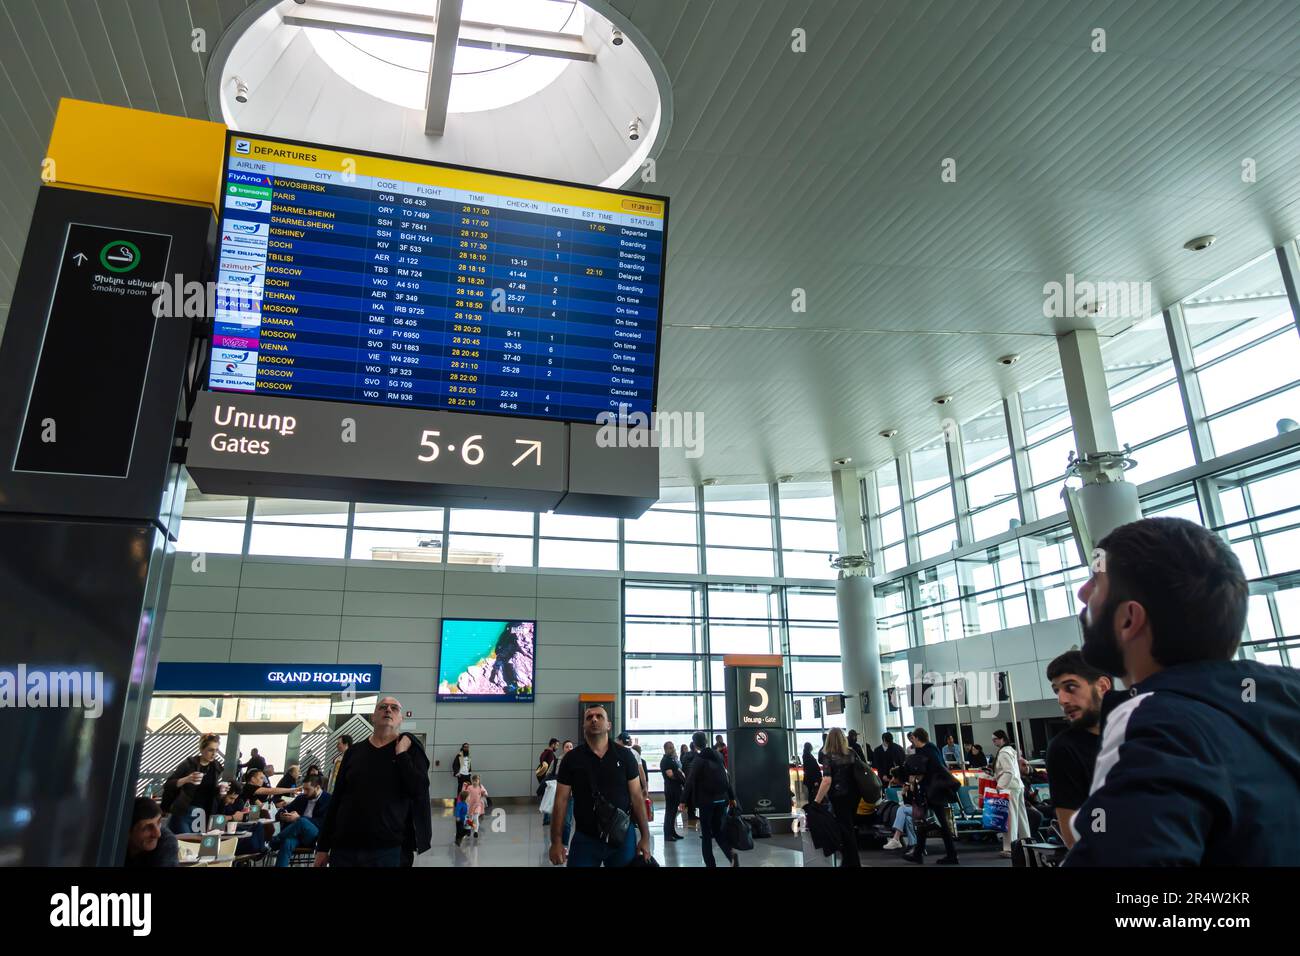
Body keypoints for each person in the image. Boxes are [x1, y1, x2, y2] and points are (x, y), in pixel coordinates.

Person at [1064, 518, 1300, 865]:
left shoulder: (1155, 717)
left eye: (1096, 582)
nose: (1083, 593)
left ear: (1129, 620)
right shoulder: (1286, 697)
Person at [314, 696, 432, 867]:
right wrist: (323, 846)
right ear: (373, 716)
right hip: (345, 847)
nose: (388, 710)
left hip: (389, 849)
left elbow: (418, 789)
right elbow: (337, 799)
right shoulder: (353, 752)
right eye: (382, 706)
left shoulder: (411, 752)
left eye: (394, 708)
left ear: (401, 719)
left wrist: (401, 755)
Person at [549, 702, 651, 867]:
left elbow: (636, 797)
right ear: (584, 725)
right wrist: (556, 841)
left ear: (608, 725)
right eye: (589, 717)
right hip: (585, 837)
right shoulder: (572, 759)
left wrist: (645, 837)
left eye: (599, 716)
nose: (594, 720)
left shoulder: (625, 756)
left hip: (622, 837)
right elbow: (561, 801)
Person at [1044, 649, 1113, 847]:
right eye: (1057, 690)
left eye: (1070, 687)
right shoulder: (1064, 749)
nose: (1062, 700)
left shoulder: (1137, 733)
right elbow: (1074, 837)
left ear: (1102, 686)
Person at [901, 728, 958, 865]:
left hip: (933, 791)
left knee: (936, 823)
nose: (911, 740)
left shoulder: (928, 751)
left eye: (913, 738)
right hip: (933, 791)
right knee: (924, 821)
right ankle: (919, 853)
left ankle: (950, 855)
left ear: (917, 738)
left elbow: (932, 769)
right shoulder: (931, 750)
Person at [683, 730, 738, 867]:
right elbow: (727, 777)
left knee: (706, 834)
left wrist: (683, 800)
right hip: (722, 799)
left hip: (706, 801)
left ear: (695, 744)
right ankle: (730, 854)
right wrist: (732, 797)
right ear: (706, 741)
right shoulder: (718, 755)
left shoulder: (699, 759)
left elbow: (690, 781)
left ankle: (710, 864)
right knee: (718, 830)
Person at [812, 727, 863, 867]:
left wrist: (816, 801)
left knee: (845, 830)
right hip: (854, 796)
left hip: (839, 796)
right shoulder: (852, 753)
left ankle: (852, 862)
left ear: (829, 739)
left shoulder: (828, 756)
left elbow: (827, 780)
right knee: (848, 827)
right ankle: (849, 861)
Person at [160, 732, 223, 834]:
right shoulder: (189, 764)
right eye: (211, 750)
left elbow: (208, 791)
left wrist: (219, 789)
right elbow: (168, 785)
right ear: (202, 749)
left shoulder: (216, 767)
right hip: (184, 812)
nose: (214, 754)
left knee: (198, 845)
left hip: (204, 814)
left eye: (216, 750)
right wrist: (187, 779)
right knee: (187, 843)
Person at [270, 775, 331, 867]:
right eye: (303, 789)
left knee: (302, 821)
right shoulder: (301, 798)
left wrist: (298, 818)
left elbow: (324, 823)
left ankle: (273, 843)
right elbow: (284, 810)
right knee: (287, 842)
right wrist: (282, 815)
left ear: (317, 787)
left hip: (314, 836)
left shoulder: (329, 800)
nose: (304, 792)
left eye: (307, 789)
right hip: (296, 834)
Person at [990, 730, 1031, 858]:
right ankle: (1027, 843)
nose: (993, 742)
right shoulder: (1010, 751)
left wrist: (1000, 785)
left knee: (1009, 819)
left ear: (1002, 739)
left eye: (995, 739)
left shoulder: (1003, 753)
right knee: (1021, 817)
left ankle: (1010, 848)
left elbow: (1008, 772)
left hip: (1009, 787)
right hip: (1017, 786)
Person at [124, 798, 178, 867]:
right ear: (127, 831)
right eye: (147, 827)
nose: (158, 834)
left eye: (159, 822)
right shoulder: (112, 843)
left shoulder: (166, 842)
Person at [541, 740, 575, 846]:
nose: (569, 748)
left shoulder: (577, 761)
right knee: (556, 820)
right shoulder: (556, 761)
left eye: (571, 747)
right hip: (558, 793)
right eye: (567, 747)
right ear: (563, 749)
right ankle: (556, 843)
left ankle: (564, 846)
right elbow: (549, 773)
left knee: (567, 822)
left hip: (571, 795)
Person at [881, 769, 916, 851]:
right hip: (913, 810)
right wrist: (903, 794)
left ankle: (896, 838)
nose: (892, 779)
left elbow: (915, 802)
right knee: (908, 818)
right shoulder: (905, 786)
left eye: (893, 777)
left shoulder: (912, 785)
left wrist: (911, 789)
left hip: (921, 810)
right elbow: (908, 803)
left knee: (901, 809)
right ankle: (913, 845)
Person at [660, 741, 685, 841]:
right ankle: (667, 834)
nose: (672, 749)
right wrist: (680, 777)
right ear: (665, 749)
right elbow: (671, 775)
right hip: (671, 789)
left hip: (676, 789)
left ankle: (672, 832)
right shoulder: (666, 761)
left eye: (673, 747)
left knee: (674, 812)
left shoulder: (672, 759)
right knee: (670, 812)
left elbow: (679, 770)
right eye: (670, 747)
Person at [464, 774, 489, 839]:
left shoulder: (480, 787)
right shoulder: (469, 787)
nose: (475, 782)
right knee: (470, 819)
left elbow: (486, 793)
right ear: (472, 781)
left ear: (478, 781)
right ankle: (469, 830)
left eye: (476, 780)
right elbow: (465, 794)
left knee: (475, 817)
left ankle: (475, 831)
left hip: (478, 805)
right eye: (473, 781)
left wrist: (484, 793)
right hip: (470, 805)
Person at [680, 740, 698, 827]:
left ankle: (691, 814)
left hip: (687, 778)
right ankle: (692, 814)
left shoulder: (685, 755)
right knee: (694, 796)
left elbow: (683, 767)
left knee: (689, 796)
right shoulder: (697, 755)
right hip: (694, 779)